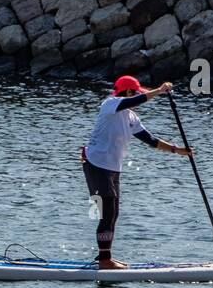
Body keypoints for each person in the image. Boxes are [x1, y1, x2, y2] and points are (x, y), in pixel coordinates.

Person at [81, 76, 193, 270]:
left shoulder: (131, 117)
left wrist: (178, 150)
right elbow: (136, 100)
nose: (138, 95)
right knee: (107, 211)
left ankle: (106, 257)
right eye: (136, 91)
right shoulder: (110, 104)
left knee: (113, 213)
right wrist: (159, 90)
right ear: (130, 92)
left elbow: (150, 140)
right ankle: (104, 261)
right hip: (96, 163)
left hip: (112, 168)